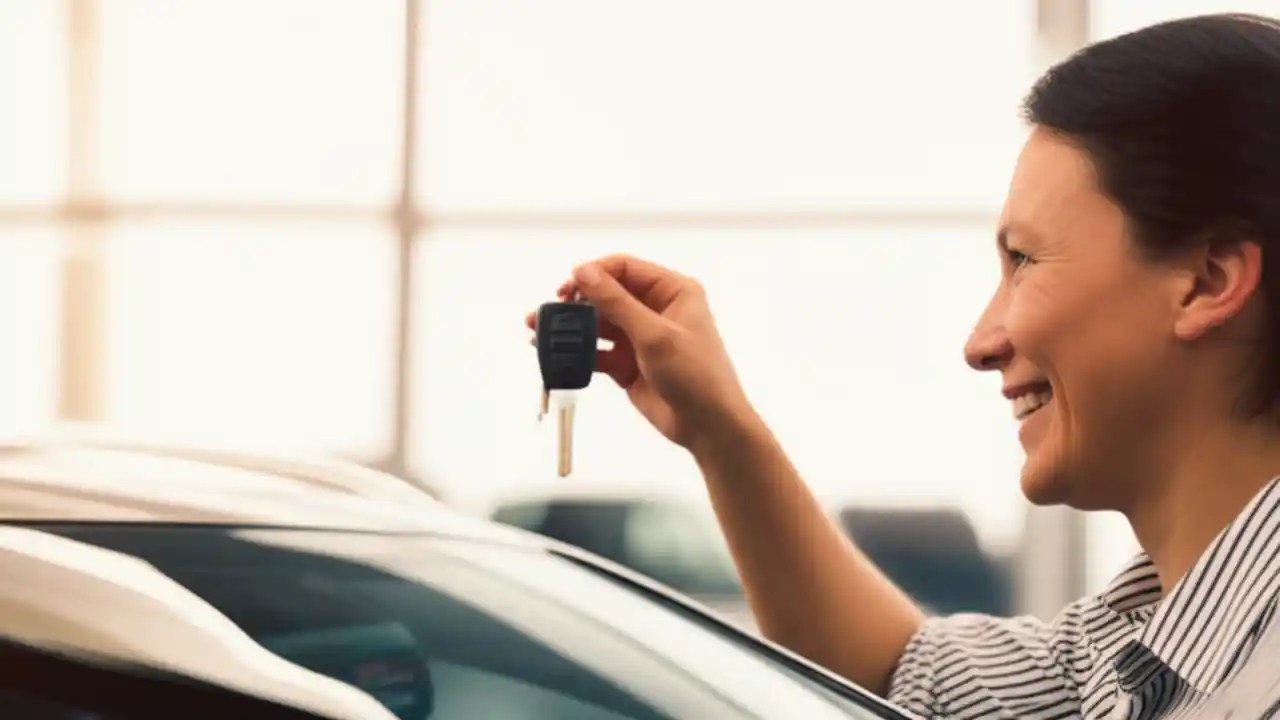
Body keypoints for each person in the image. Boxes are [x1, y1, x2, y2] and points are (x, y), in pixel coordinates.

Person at [526, 13, 1280, 720]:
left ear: (1209, 282)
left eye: (1025, 259)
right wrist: (719, 431)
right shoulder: (1129, 650)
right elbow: (896, 675)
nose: (980, 341)